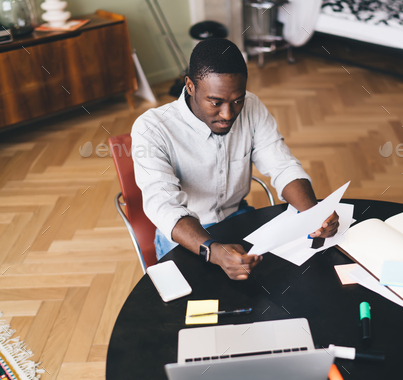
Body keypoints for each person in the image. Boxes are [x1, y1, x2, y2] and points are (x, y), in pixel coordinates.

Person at [131, 38, 338, 280]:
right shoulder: (152, 128)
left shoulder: (251, 106)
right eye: (215, 102)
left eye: (237, 100)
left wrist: (313, 214)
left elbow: (283, 166)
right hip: (186, 236)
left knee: (281, 284)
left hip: (238, 219)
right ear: (190, 86)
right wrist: (214, 251)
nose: (228, 114)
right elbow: (165, 207)